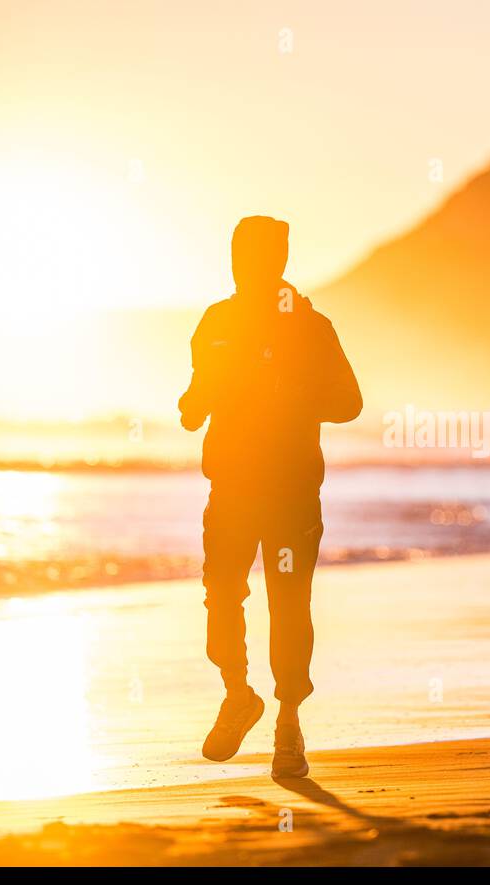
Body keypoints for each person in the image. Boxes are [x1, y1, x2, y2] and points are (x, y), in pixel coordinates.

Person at [179, 215, 362, 778]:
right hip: (231, 485)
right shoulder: (217, 321)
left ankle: (288, 723)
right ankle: (239, 694)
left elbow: (349, 403)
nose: (251, 263)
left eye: (263, 254)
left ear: (281, 259)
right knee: (222, 593)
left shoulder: (310, 326)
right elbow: (194, 402)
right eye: (242, 253)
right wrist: (198, 399)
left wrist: (293, 392)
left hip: (291, 489)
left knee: (288, 603)